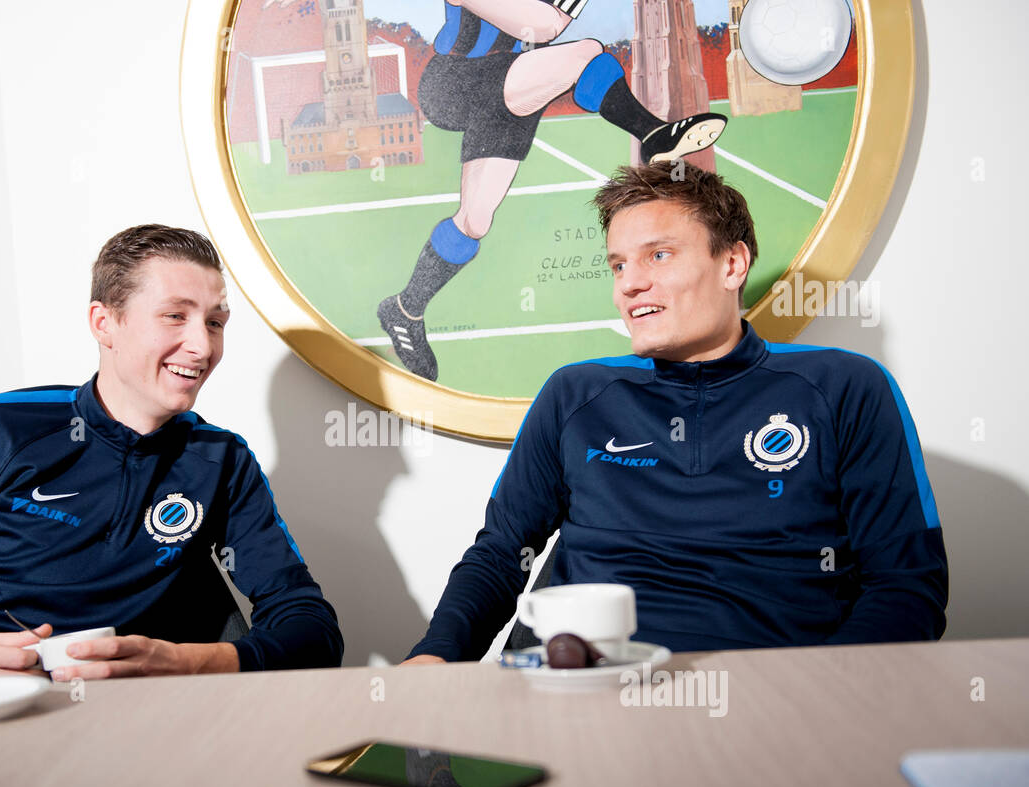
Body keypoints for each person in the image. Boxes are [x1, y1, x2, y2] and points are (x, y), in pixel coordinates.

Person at [404, 161, 947, 663]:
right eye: (618, 264)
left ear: (732, 262)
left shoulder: (844, 387)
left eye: (658, 256)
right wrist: (436, 655)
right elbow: (500, 555)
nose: (629, 283)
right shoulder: (575, 395)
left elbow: (906, 587)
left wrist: (819, 694)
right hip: (592, 698)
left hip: (779, 700)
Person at [0, 224, 343, 689]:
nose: (203, 346)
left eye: (215, 322)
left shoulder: (219, 461)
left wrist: (185, 661)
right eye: (175, 317)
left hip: (118, 739)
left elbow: (311, 629)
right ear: (104, 323)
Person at [378, 0, 727, 380]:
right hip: (456, 84)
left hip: (511, 95)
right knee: (587, 53)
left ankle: (404, 309)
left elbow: (551, 24)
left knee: (473, 222)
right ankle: (652, 133)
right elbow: (541, 26)